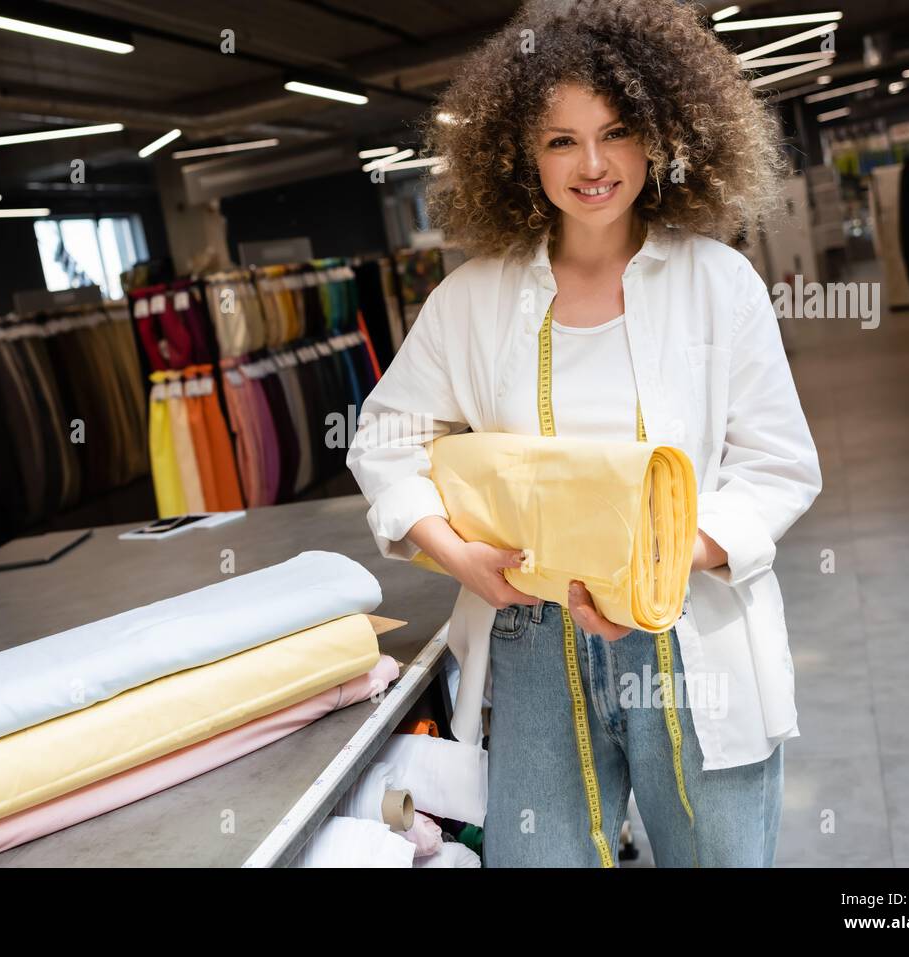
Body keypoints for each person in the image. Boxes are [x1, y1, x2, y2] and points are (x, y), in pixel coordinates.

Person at [346, 0, 822, 867]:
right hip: (530, 640)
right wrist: (457, 557)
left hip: (688, 633)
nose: (593, 165)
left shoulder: (721, 284)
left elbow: (779, 465)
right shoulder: (472, 300)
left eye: (617, 131)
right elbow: (385, 437)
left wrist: (665, 563)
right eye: (561, 139)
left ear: (663, 134)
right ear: (519, 154)